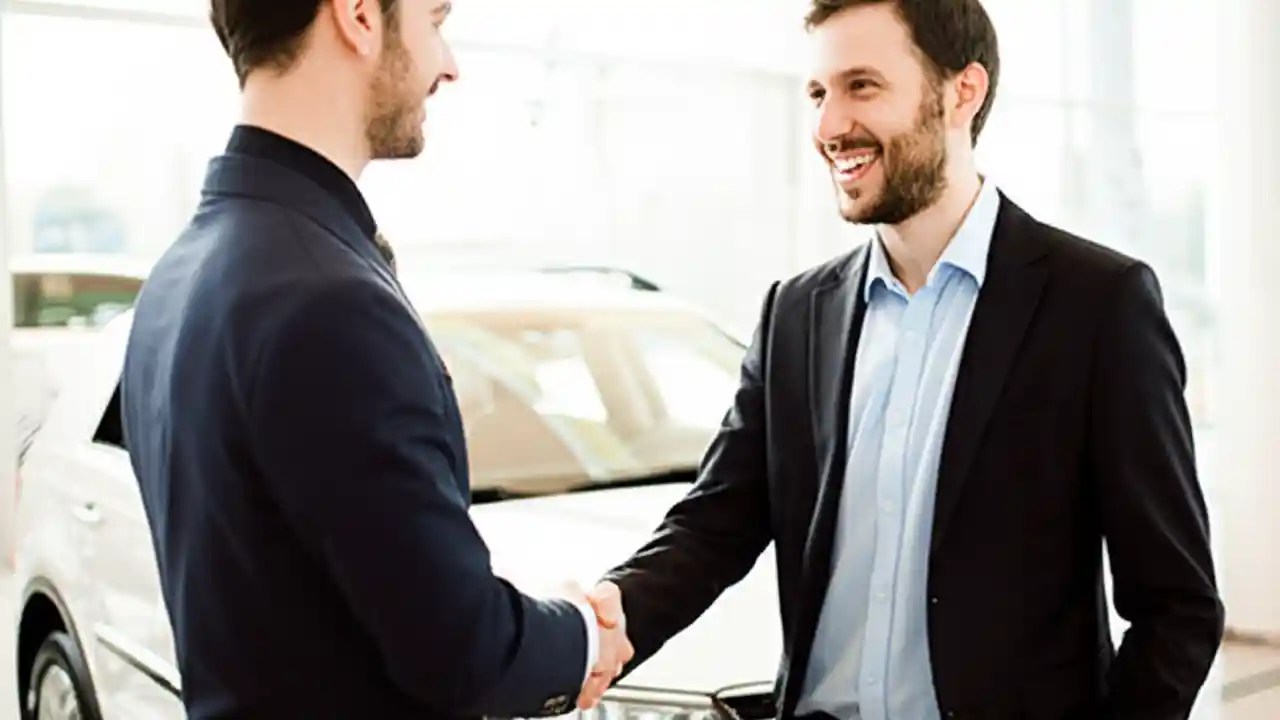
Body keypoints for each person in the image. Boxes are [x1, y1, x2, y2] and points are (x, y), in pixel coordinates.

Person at [583, 0, 1225, 717]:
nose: (829, 127)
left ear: (962, 92)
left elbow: (1177, 606)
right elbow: (715, 524)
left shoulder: (1097, 306)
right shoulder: (797, 314)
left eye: (863, 86)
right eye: (819, 94)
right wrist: (599, 624)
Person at [119, 1, 630, 718]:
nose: (448, 64)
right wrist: (582, 635)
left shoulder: (180, 272)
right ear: (359, 15)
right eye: (436, 19)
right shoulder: (325, 299)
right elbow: (461, 651)